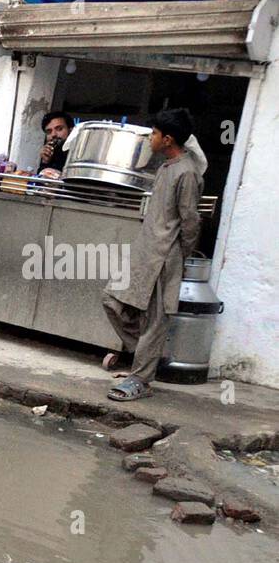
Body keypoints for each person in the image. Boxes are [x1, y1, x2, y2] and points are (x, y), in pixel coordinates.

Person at [102, 108, 205, 402]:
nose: (150, 138)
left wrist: (178, 256)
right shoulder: (166, 167)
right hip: (145, 252)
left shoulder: (187, 172)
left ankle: (141, 378)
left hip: (165, 256)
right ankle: (145, 361)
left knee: (156, 320)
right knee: (112, 301)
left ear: (168, 139)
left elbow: (190, 221)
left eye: (154, 134)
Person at [37, 110, 73, 177]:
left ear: (70, 130)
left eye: (59, 129)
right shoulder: (51, 152)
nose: (53, 134)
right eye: (49, 131)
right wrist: (45, 162)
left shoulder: (76, 154)